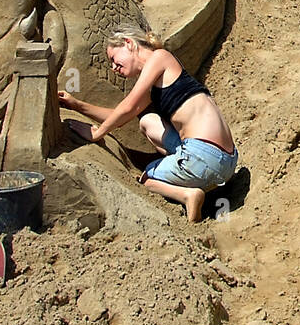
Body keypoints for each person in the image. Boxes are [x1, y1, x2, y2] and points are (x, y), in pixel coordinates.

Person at [61, 25, 237, 222]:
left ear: (128, 43)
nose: (113, 67)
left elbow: (127, 107)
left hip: (202, 158)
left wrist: (97, 133)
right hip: (227, 161)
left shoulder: (159, 57)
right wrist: (76, 105)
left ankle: (188, 195)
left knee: (146, 178)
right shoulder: (158, 81)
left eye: (113, 58)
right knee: (148, 121)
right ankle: (188, 176)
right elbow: (120, 115)